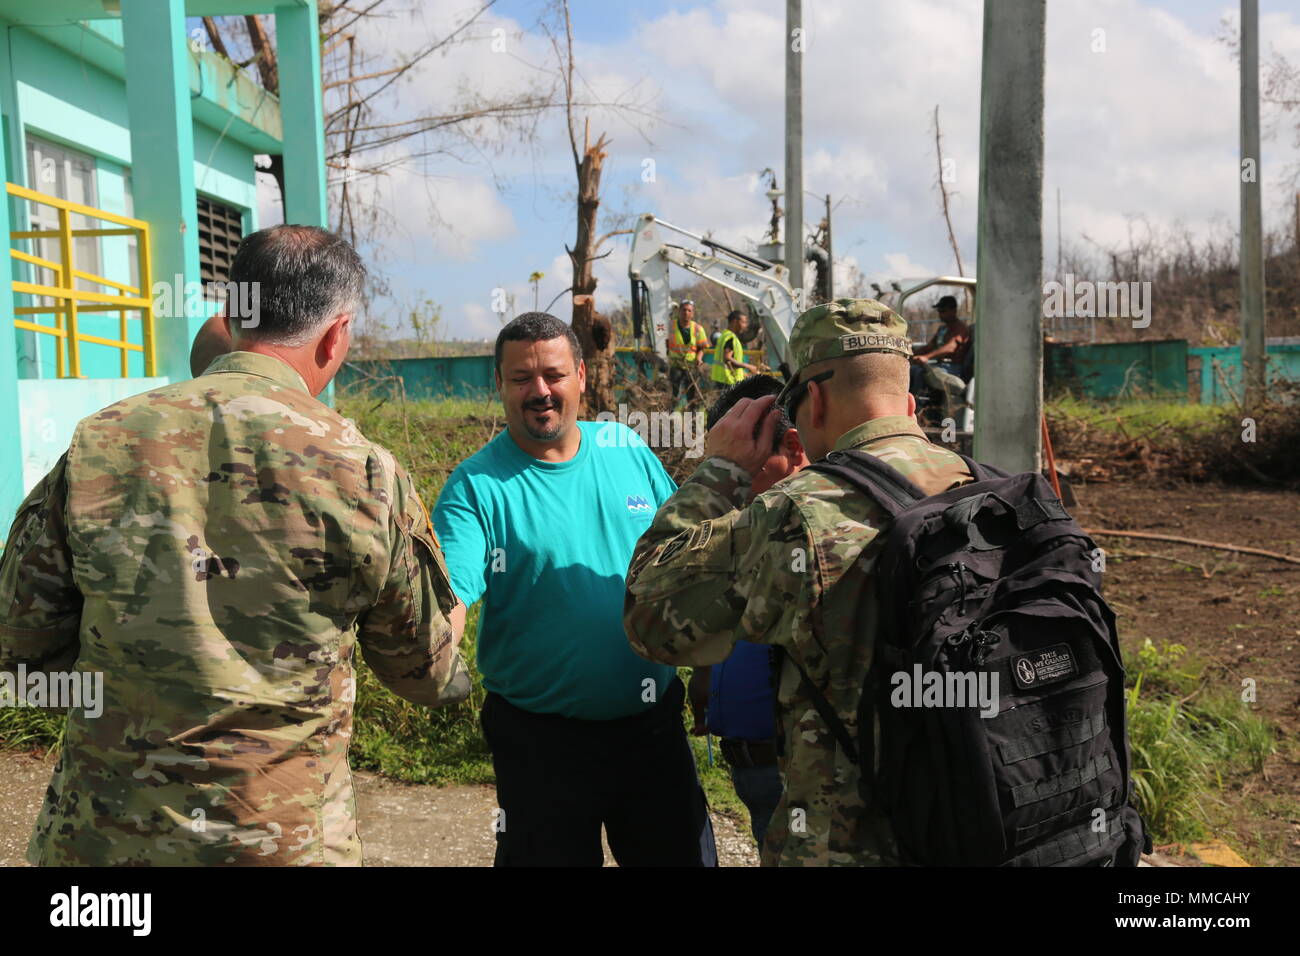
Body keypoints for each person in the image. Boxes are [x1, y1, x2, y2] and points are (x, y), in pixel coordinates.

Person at [0, 224, 468, 866]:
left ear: (231, 313)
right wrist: (456, 611)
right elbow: (426, 673)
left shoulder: (100, 442)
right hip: (280, 847)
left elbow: (18, 654)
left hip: (104, 850)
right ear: (337, 335)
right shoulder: (364, 471)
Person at [623, 298, 973, 866]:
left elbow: (650, 618)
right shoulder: (993, 492)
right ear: (908, 401)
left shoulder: (798, 516)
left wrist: (720, 471)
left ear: (814, 400)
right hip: (981, 827)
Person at [432, 312, 717, 867]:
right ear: (500, 385)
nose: (539, 391)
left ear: (581, 376)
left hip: (651, 727)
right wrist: (427, 655)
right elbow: (451, 599)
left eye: (554, 374)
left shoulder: (625, 448)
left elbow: (688, 563)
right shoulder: (476, 486)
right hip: (541, 744)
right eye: (521, 378)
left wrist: (710, 667)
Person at [687, 374, 808, 848]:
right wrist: (706, 673)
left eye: (745, 463)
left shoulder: (817, 532)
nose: (731, 481)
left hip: (796, 775)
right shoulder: (749, 522)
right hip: (752, 767)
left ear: (794, 448)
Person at [909, 294, 972, 400]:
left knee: (920, 372)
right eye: (939, 311)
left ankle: (918, 404)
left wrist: (926, 357)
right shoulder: (942, 329)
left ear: (954, 310)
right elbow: (930, 346)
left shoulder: (960, 328)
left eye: (943, 311)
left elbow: (950, 347)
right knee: (913, 369)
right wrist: (911, 355)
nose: (940, 314)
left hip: (953, 367)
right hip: (940, 365)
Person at [667, 299, 711, 405]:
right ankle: (671, 416)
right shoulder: (669, 326)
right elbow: (660, 337)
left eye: (689, 310)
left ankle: (692, 417)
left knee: (691, 393)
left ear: (693, 313)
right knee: (674, 392)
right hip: (675, 364)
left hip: (691, 366)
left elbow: (702, 347)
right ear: (679, 311)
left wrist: (699, 358)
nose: (686, 313)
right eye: (684, 310)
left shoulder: (698, 329)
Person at [710, 309, 760, 389]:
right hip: (728, 381)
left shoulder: (724, 335)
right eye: (743, 322)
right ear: (734, 322)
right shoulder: (730, 338)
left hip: (722, 379)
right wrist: (748, 366)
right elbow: (727, 358)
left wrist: (743, 374)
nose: (745, 326)